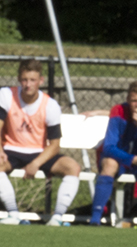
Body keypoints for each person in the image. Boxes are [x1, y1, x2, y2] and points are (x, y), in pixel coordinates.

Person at [0, 58, 81, 226]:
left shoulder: (50, 105)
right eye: (24, 79)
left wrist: (36, 163)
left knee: (73, 167)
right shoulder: (6, 95)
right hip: (10, 149)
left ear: (40, 81)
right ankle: (13, 214)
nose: (28, 84)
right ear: (18, 79)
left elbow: (55, 145)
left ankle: (57, 217)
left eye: (32, 80)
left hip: (38, 152)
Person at [88, 80, 137, 227]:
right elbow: (109, 147)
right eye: (134, 101)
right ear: (127, 100)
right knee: (109, 163)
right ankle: (95, 218)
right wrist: (133, 159)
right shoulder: (118, 111)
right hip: (123, 160)